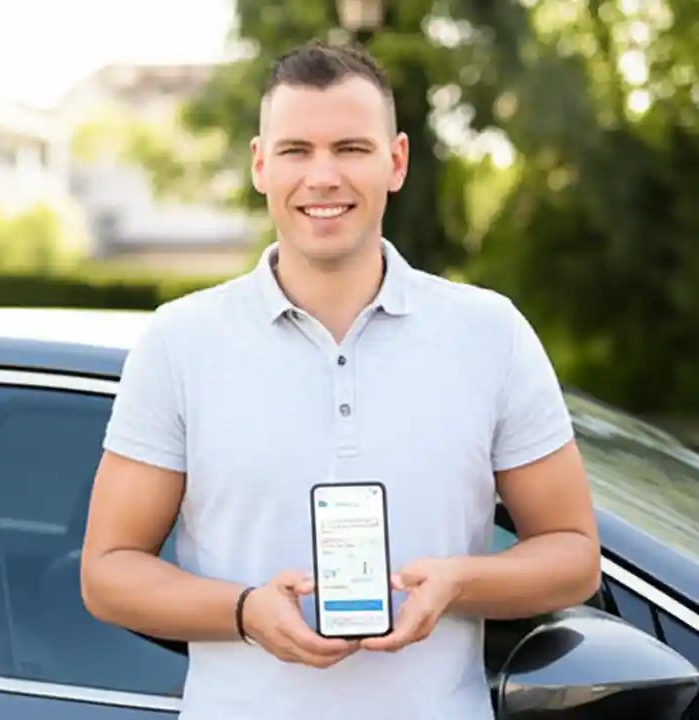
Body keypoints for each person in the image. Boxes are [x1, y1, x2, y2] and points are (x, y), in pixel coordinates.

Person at [79, 40, 601, 719]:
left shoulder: (489, 333)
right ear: (261, 165)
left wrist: (458, 582)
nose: (322, 176)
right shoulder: (179, 342)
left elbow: (573, 557)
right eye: (296, 150)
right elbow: (108, 572)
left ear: (397, 161)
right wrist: (244, 611)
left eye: (351, 148)